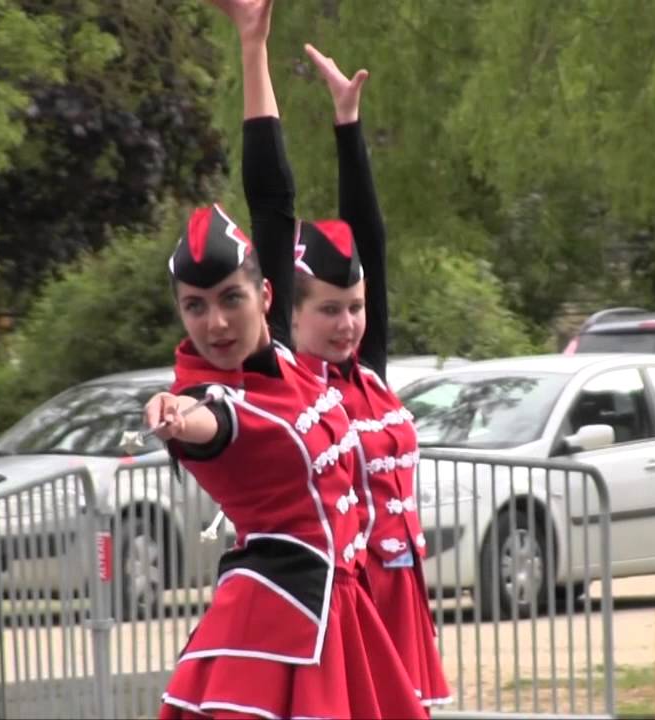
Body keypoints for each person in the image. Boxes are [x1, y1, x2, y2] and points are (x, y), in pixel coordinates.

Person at [144, 1, 426, 717]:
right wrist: (181, 418)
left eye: (230, 299)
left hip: (346, 607)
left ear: (265, 295)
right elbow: (221, 424)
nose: (214, 322)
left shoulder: (297, 361)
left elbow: (275, 197)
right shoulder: (208, 395)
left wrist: (253, 44)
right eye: (194, 306)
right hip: (273, 623)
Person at [243, 35, 451, 711]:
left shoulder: (369, 373)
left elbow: (371, 240)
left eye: (356, 308)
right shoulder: (285, 378)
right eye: (330, 311)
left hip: (399, 601)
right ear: (286, 312)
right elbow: (272, 207)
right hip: (331, 607)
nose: (348, 324)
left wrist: (347, 124)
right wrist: (254, 50)